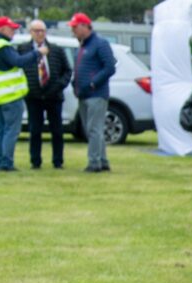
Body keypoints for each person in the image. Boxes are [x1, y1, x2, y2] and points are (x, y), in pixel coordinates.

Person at [21, 20, 69, 170]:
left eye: (42, 30)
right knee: (35, 130)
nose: (40, 33)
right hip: (34, 97)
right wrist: (29, 88)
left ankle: (58, 161)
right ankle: (35, 161)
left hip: (54, 96)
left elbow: (67, 71)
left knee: (57, 130)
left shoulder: (56, 50)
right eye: (36, 31)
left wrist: (59, 86)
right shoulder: (23, 49)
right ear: (31, 32)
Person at [68, 13, 113, 172]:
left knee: (94, 129)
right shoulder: (82, 46)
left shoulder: (100, 44)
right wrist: (75, 84)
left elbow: (109, 67)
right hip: (83, 94)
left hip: (96, 94)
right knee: (91, 129)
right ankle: (102, 160)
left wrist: (94, 83)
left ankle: (94, 162)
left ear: (84, 26)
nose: (72, 30)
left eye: (75, 27)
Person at [0, 16, 40, 173]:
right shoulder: (3, 46)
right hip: (10, 95)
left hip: (0, 96)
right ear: (1, 29)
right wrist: (37, 54)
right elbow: (18, 61)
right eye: (11, 28)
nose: (14, 31)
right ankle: (6, 163)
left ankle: (0, 160)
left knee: (1, 130)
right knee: (11, 131)